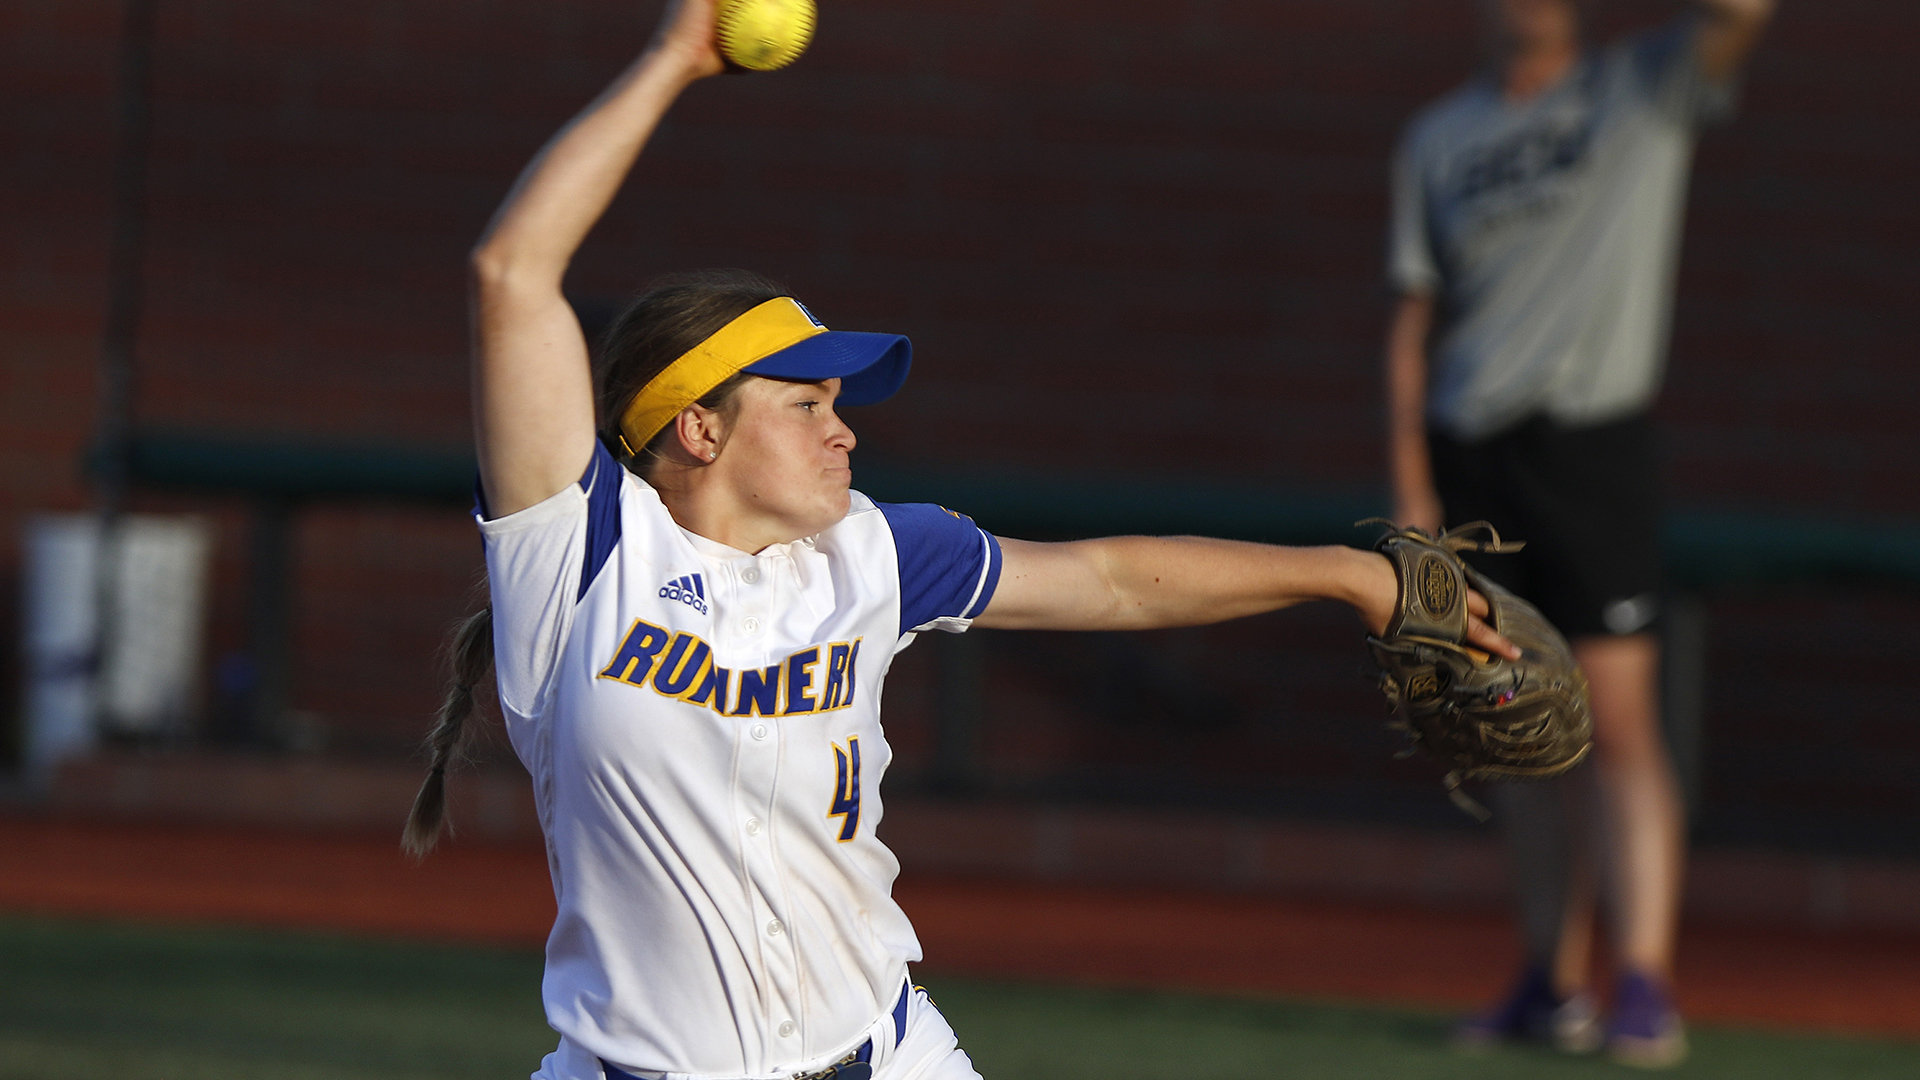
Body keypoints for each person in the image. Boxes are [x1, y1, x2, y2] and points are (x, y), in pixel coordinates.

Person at [403, 3, 1518, 1080]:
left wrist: (1349, 576)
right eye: (805, 404)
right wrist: (673, 58)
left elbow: (1113, 583)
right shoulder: (584, 554)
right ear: (698, 426)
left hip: (890, 1057)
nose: (844, 427)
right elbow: (511, 275)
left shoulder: (875, 554)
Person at [1382, 0, 1775, 1067]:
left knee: (1621, 727)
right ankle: (1549, 981)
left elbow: (1736, 21)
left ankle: (1642, 980)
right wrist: (1414, 487)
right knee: (1514, 733)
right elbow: (1413, 320)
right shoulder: (1438, 136)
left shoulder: (1639, 90)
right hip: (1474, 459)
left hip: (1591, 454)